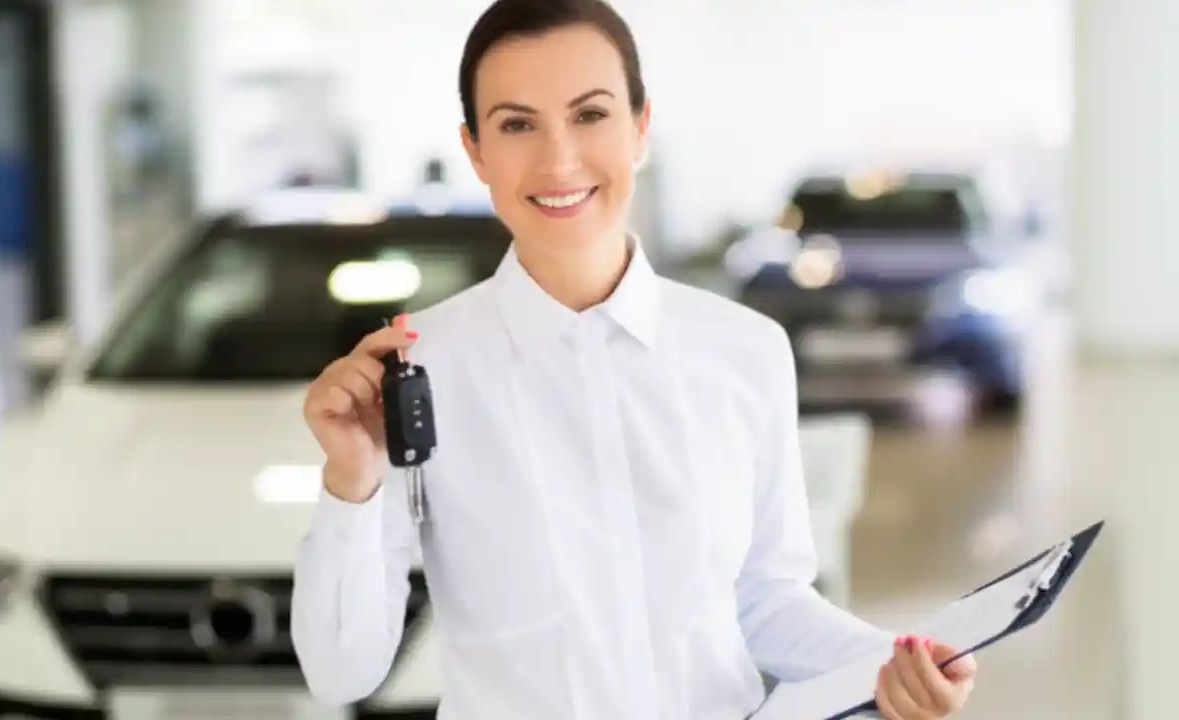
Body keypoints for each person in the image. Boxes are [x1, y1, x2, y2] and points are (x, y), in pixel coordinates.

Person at [293, 1, 978, 718]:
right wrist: (351, 482)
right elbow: (342, 673)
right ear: (475, 151)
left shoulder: (744, 352)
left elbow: (767, 603)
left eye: (590, 115)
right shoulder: (420, 372)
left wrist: (898, 665)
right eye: (518, 124)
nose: (559, 160)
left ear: (640, 127)